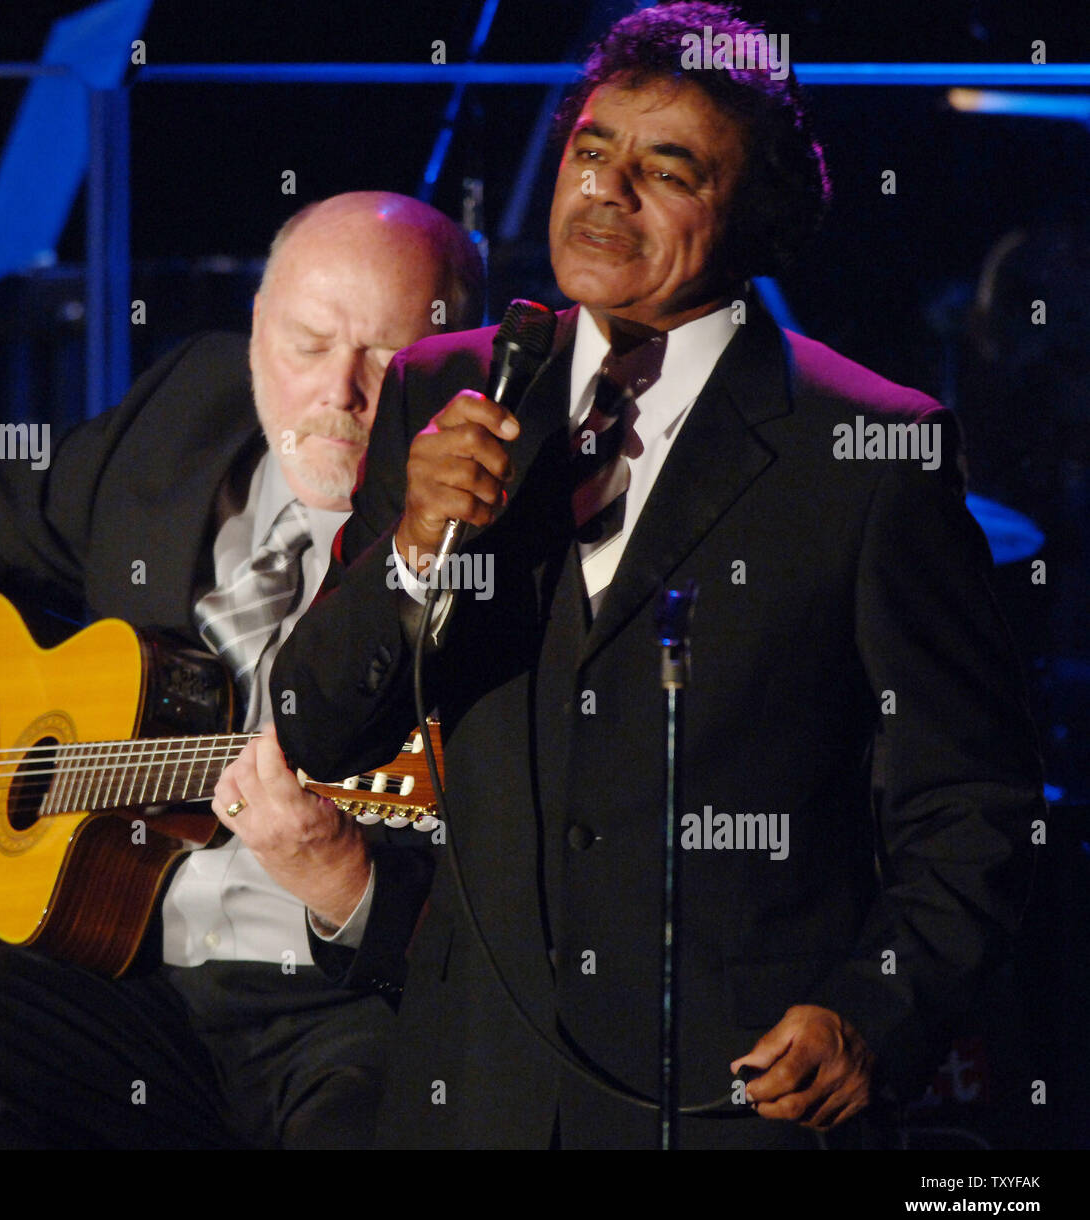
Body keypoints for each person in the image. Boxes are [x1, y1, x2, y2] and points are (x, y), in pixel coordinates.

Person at [269, 3, 1044, 1149]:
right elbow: (315, 724)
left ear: (756, 214)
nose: (604, 188)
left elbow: (972, 805)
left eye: (664, 167)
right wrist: (415, 549)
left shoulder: (868, 451)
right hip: (474, 1087)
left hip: (726, 1096)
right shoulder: (446, 391)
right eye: (590, 150)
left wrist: (875, 1011)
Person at [0, 190, 481, 1149]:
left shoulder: (496, 550)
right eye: (308, 344)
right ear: (256, 333)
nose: (340, 395)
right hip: (126, 976)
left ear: (462, 373)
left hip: (347, 1008)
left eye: (387, 360)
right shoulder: (186, 412)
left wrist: (347, 880)